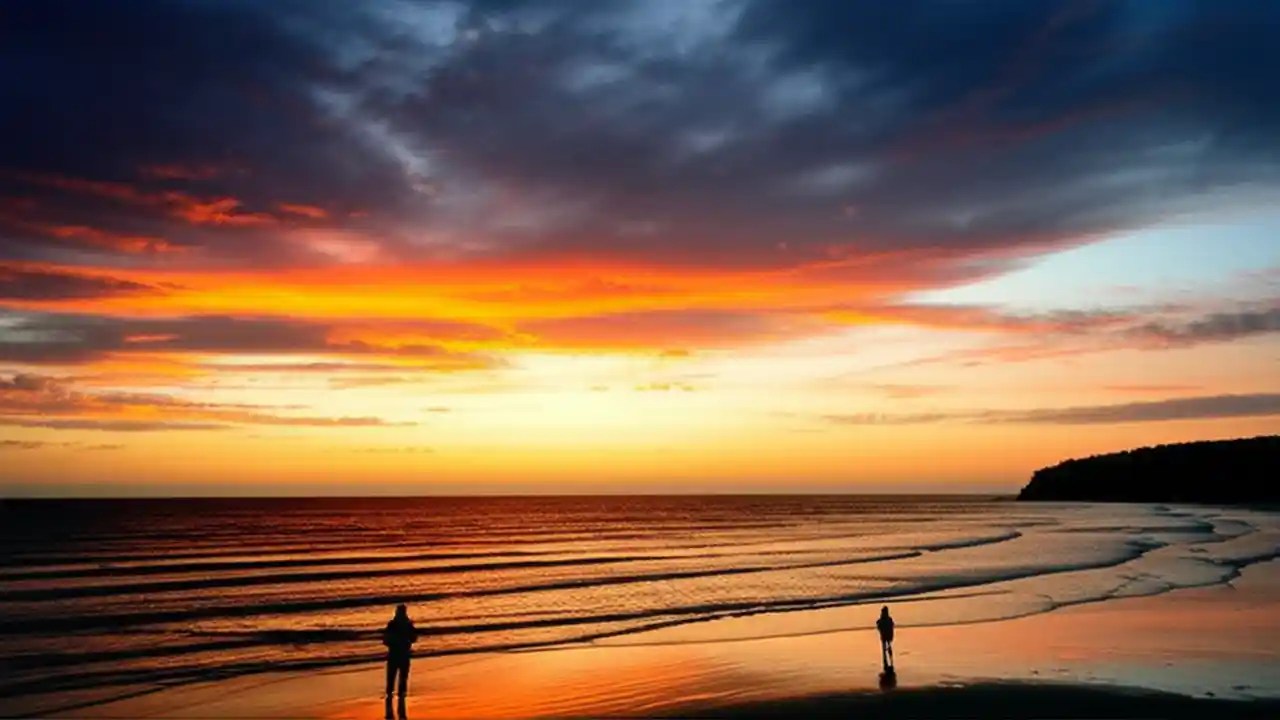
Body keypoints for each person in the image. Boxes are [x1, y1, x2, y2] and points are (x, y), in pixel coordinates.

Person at [383, 604, 418, 718]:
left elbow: (385, 640)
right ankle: (399, 694)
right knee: (401, 676)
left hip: (394, 653)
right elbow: (414, 638)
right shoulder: (407, 625)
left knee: (392, 676)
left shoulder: (392, 625)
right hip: (403, 653)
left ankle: (391, 695)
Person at [876, 605, 895, 671]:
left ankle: (886, 658)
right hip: (887, 634)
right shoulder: (888, 619)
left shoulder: (882, 619)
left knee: (885, 647)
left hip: (884, 634)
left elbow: (878, 626)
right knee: (888, 645)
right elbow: (892, 626)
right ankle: (890, 657)